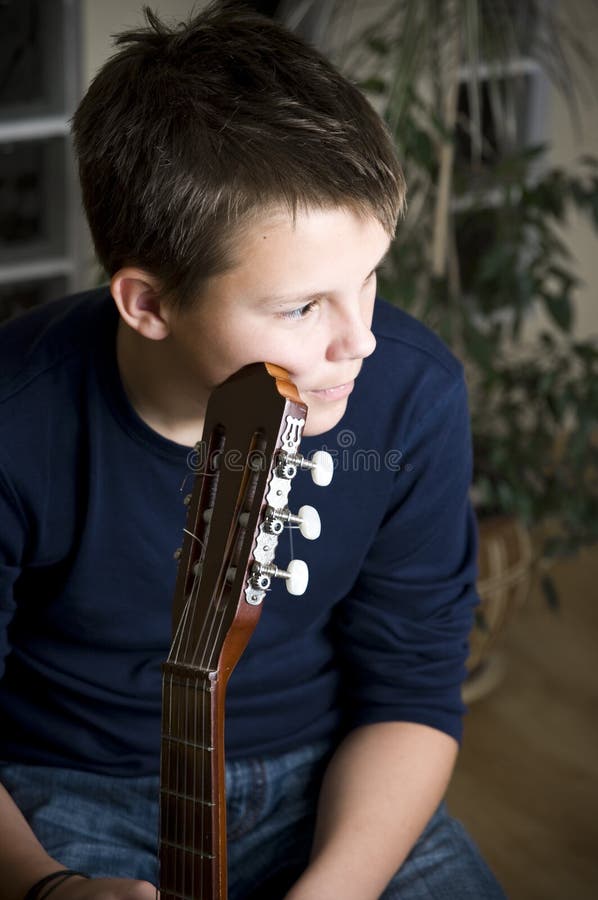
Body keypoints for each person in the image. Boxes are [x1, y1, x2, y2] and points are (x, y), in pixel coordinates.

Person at [0, 3, 506, 898]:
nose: (364, 344)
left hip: (328, 775)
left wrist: (333, 890)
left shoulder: (411, 398)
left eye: (370, 280)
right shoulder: (18, 416)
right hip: (64, 784)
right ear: (148, 304)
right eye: (303, 306)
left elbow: (413, 689)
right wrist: (47, 885)